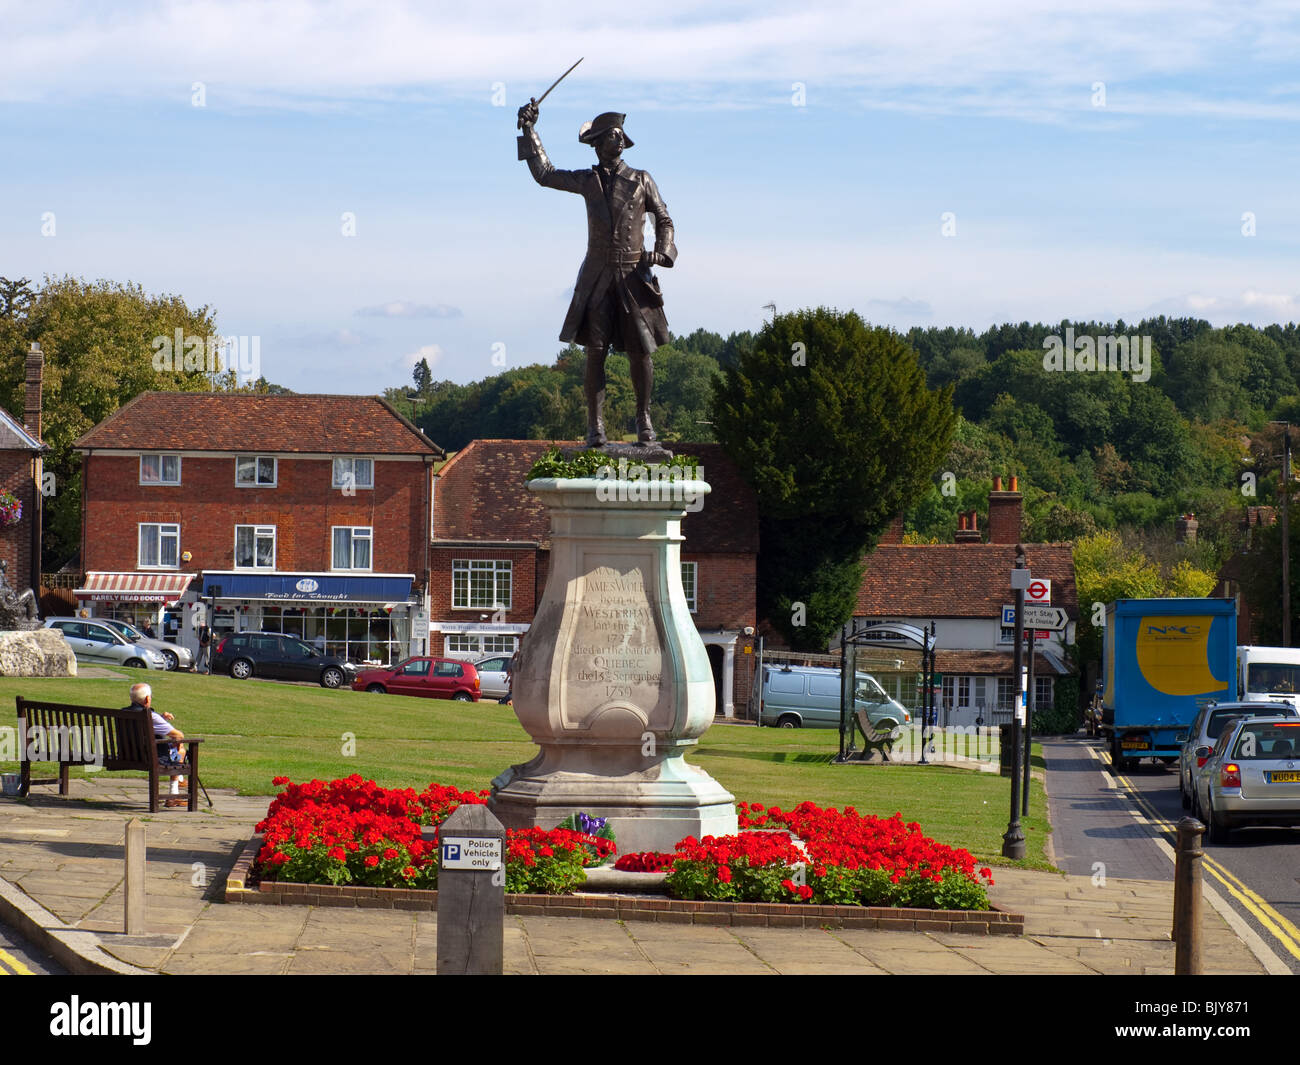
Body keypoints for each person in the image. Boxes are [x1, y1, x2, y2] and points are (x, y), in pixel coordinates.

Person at [517, 103, 676, 446]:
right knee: (595, 351)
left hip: (634, 274)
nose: (619, 141)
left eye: (621, 136)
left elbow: (664, 219)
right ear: (598, 143)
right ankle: (595, 426)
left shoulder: (641, 180)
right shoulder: (587, 181)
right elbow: (545, 174)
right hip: (597, 275)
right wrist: (530, 131)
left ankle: (644, 420)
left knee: (640, 351)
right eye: (612, 136)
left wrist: (663, 252)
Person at [127, 682, 187, 808]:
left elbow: (143, 728)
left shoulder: (124, 713)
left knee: (175, 750)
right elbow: (178, 735)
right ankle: (173, 795)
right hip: (152, 757)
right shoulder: (151, 716)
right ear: (147, 698)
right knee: (180, 750)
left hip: (130, 755)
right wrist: (160, 720)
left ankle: (180, 779)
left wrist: (161, 719)